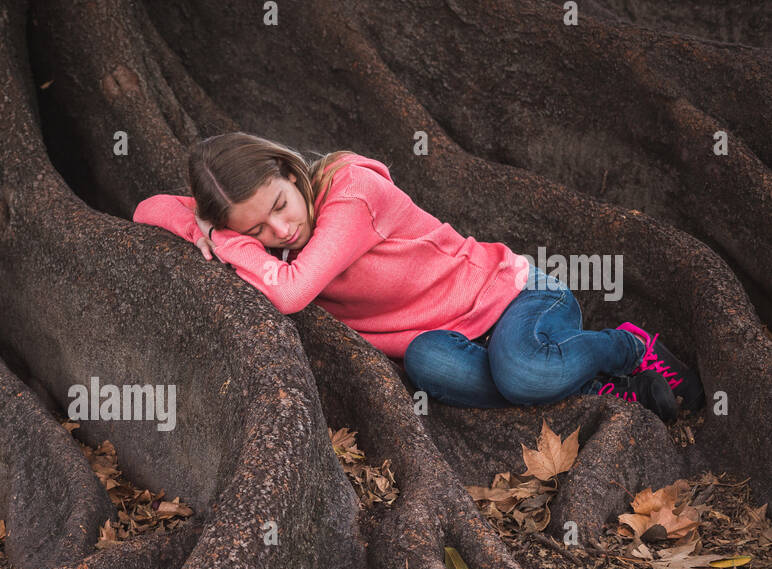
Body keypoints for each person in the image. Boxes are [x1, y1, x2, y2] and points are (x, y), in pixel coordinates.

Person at [132, 132, 702, 422]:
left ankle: (627, 347)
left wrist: (230, 243)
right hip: (449, 339)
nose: (280, 231)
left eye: (280, 204)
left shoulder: (351, 193)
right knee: (427, 366)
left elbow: (291, 292)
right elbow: (149, 207)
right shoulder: (258, 227)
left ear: (287, 169)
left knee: (523, 370)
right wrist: (217, 230)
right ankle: (579, 382)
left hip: (515, 297)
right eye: (255, 230)